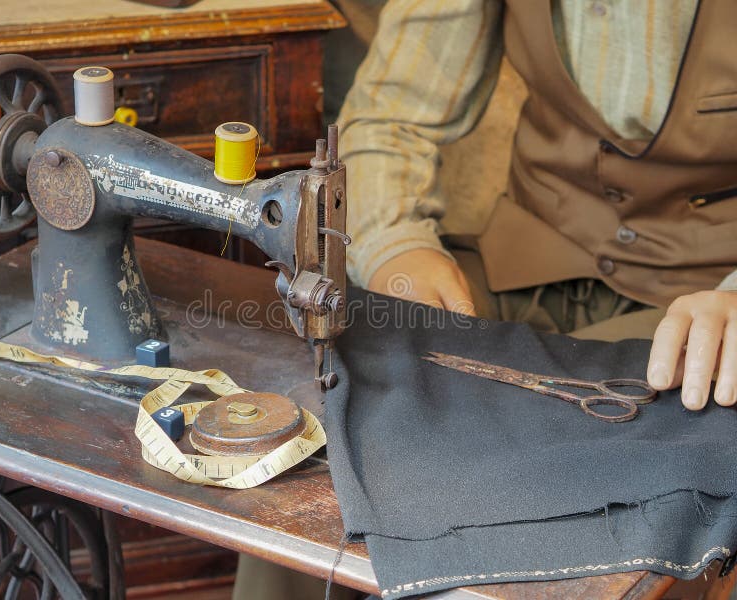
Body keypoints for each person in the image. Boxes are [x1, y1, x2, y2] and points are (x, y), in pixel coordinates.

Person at [234, 1, 737, 598]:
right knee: (321, 453)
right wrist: (397, 247)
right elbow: (392, 114)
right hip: (522, 258)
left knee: (570, 487)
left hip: (697, 306)